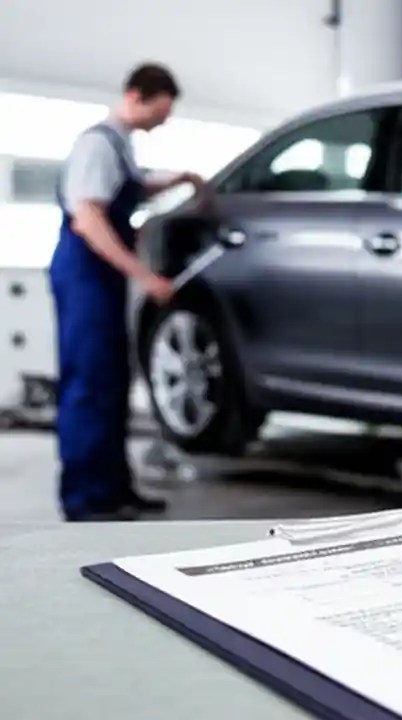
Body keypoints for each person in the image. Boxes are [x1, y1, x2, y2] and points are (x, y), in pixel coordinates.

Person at [51, 62, 206, 521]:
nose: (164, 121)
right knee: (89, 385)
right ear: (137, 96)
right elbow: (89, 218)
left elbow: (132, 187)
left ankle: (115, 489)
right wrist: (143, 274)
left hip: (101, 276)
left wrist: (181, 178)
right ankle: (84, 500)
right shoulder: (97, 145)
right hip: (84, 272)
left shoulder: (120, 146)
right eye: (160, 111)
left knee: (113, 380)